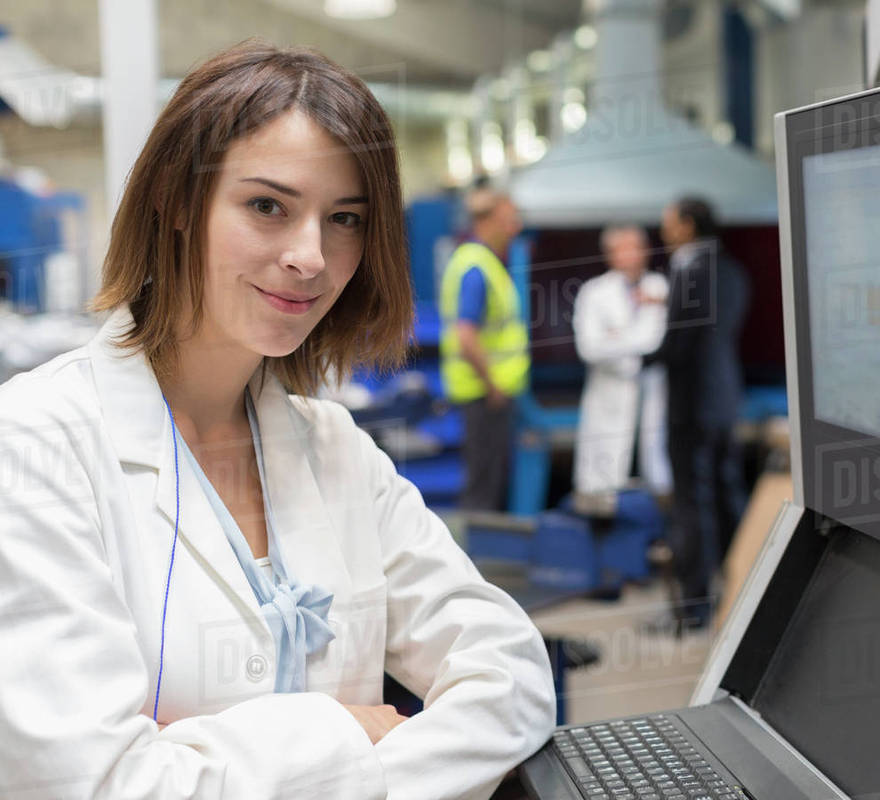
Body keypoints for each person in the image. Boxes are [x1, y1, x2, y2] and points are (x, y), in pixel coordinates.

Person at [0, 41, 554, 800]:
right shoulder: (33, 444)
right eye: (268, 206)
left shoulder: (338, 450)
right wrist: (342, 728)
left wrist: (339, 770)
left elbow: (515, 680)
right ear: (173, 200)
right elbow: (92, 786)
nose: (312, 256)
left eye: (346, 218)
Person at [651, 197, 749, 631]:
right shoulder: (732, 270)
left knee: (692, 504)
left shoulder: (690, 271)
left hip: (690, 405)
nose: (663, 229)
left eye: (669, 222)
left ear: (688, 226)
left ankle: (696, 606)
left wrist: (639, 354)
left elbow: (678, 346)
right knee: (729, 498)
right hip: (725, 401)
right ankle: (742, 588)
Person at [438, 187, 530, 511]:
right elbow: (466, 335)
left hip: (487, 392)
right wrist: (492, 386)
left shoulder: (482, 262)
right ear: (487, 221)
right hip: (483, 393)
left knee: (487, 479)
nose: (514, 228)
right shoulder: (477, 267)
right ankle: (478, 558)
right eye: (509, 220)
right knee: (483, 485)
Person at [572, 224, 671, 497]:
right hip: (610, 398)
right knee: (607, 486)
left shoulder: (661, 288)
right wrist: (638, 343)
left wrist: (616, 338)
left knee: (657, 478)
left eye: (635, 247)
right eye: (622, 249)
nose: (630, 255)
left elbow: (663, 342)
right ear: (609, 255)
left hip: (652, 396)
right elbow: (589, 349)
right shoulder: (594, 292)